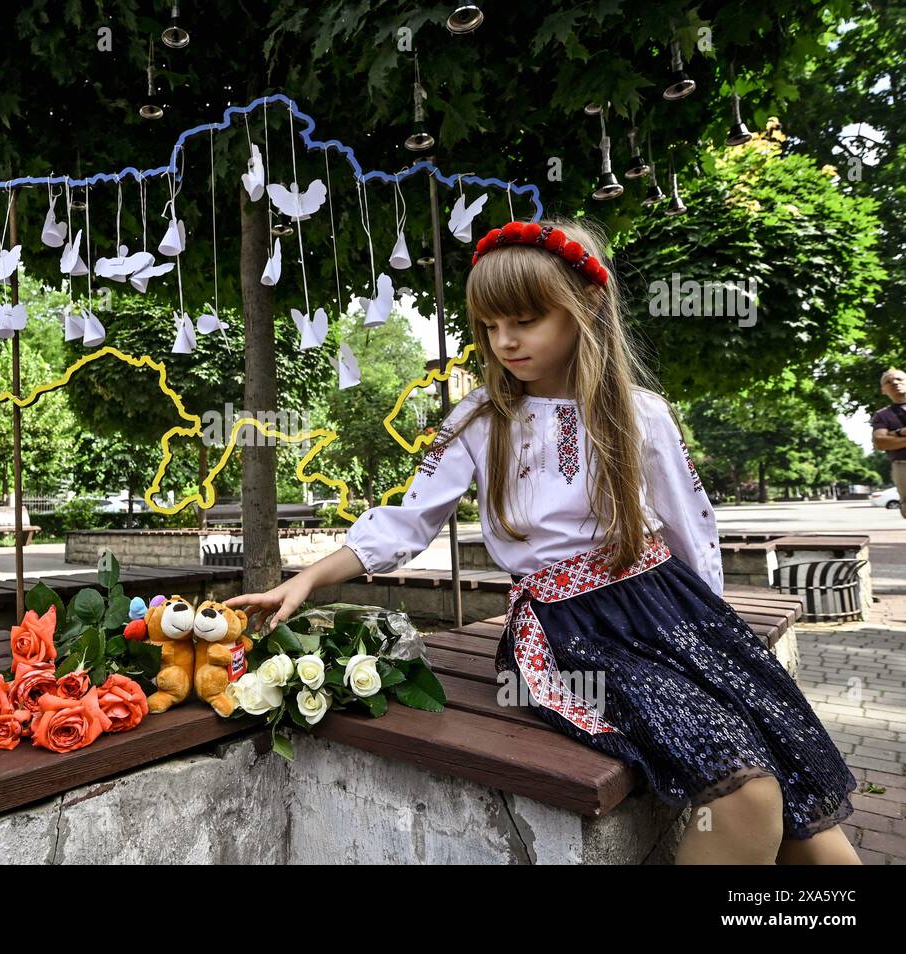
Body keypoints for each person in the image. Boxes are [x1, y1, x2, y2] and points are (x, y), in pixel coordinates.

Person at [226, 216, 860, 865]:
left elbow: (689, 527)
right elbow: (405, 521)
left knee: (800, 797)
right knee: (745, 793)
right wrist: (308, 578)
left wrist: (712, 637)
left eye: (525, 319)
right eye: (490, 324)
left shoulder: (641, 413)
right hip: (571, 634)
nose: (504, 341)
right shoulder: (477, 420)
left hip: (676, 614)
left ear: (585, 305)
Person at [870, 368, 906, 515]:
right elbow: (880, 442)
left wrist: (895, 434)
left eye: (899, 379)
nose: (895, 383)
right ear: (883, 390)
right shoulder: (882, 415)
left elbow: (886, 439)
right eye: (888, 382)